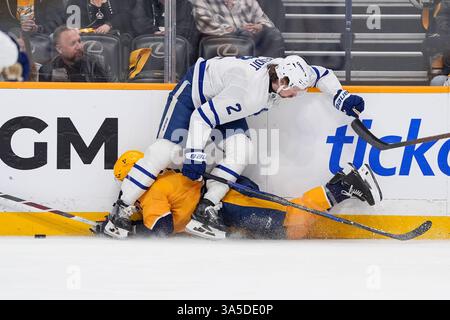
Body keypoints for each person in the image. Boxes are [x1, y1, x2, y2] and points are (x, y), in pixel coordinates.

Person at [104, 54, 366, 240]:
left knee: (242, 149)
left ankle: (206, 207)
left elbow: (321, 74)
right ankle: (121, 210)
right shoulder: (249, 93)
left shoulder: (286, 71)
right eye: (296, 90)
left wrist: (341, 96)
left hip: (223, 97)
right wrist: (194, 153)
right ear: (282, 82)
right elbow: (202, 117)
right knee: (163, 152)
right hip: (194, 96)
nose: (298, 95)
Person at [104, 150, 382, 240]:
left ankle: (343, 187)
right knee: (289, 223)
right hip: (228, 197)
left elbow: (162, 230)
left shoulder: (152, 194)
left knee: (292, 226)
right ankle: (338, 185)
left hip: (230, 206)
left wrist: (126, 230)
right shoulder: (168, 176)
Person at [190, 0, 285, 58]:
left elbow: (266, 22)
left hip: (249, 38)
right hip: (220, 40)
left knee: (273, 34)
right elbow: (205, 25)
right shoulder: (203, 1)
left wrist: (260, 26)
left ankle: (272, 75)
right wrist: (237, 30)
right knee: (244, 35)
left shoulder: (248, 1)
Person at [38, 25, 112, 82]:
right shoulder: (47, 72)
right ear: (59, 49)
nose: (79, 47)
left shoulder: (98, 63)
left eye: (79, 41)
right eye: (73, 43)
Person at [65, 0, 135, 35]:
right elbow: (72, 26)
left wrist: (110, 25)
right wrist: (76, 30)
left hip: (115, 39)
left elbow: (126, 15)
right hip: (85, 40)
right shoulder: (75, 2)